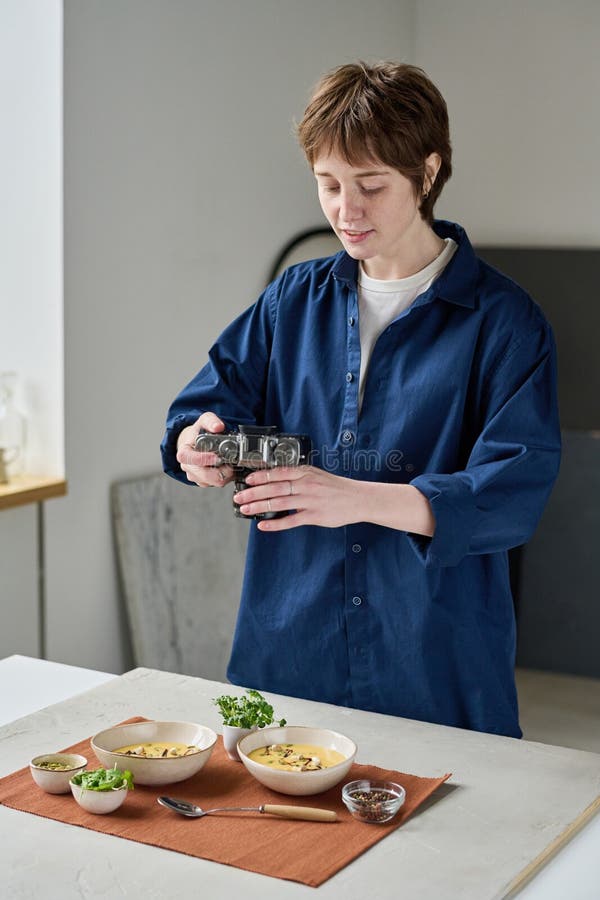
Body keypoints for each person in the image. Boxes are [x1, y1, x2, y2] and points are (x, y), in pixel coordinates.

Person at [161, 61, 560, 738]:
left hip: (435, 670)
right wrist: (201, 445)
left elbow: (512, 491)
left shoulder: (506, 322)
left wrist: (354, 496)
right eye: (329, 184)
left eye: (371, 186)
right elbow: (202, 413)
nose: (347, 210)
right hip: (287, 659)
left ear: (427, 174)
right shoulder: (292, 299)